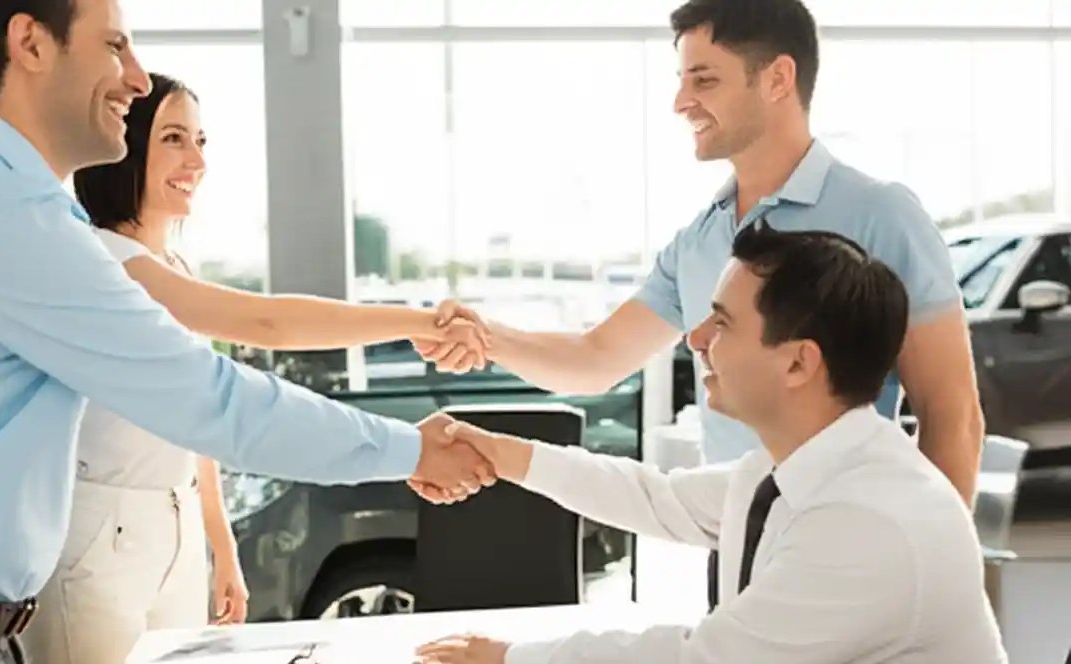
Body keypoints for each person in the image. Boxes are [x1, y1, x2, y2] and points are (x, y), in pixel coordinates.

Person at [0, 1, 490, 664]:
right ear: (30, 43)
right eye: (115, 46)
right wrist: (410, 448)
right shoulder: (4, 219)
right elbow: (210, 398)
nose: (132, 77)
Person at [21, 71, 491, 664]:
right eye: (175, 138)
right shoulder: (103, 259)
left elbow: (197, 416)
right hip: (100, 535)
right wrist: (415, 322)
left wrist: (219, 545)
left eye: (202, 139)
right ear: (124, 148)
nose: (197, 160)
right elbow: (267, 321)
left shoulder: (174, 268)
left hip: (172, 525)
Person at [415, 224, 1022, 664]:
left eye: (722, 323)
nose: (696, 339)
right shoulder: (797, 469)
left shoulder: (872, 520)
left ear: (798, 363)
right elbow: (656, 500)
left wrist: (513, 659)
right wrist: (498, 453)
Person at [420, 0, 984, 506]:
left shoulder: (881, 215)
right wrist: (485, 338)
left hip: (847, 534)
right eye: (682, 80)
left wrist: (935, 563)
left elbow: (951, 413)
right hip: (733, 535)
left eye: (704, 79)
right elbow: (597, 358)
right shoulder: (700, 240)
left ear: (778, 79)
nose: (680, 102)